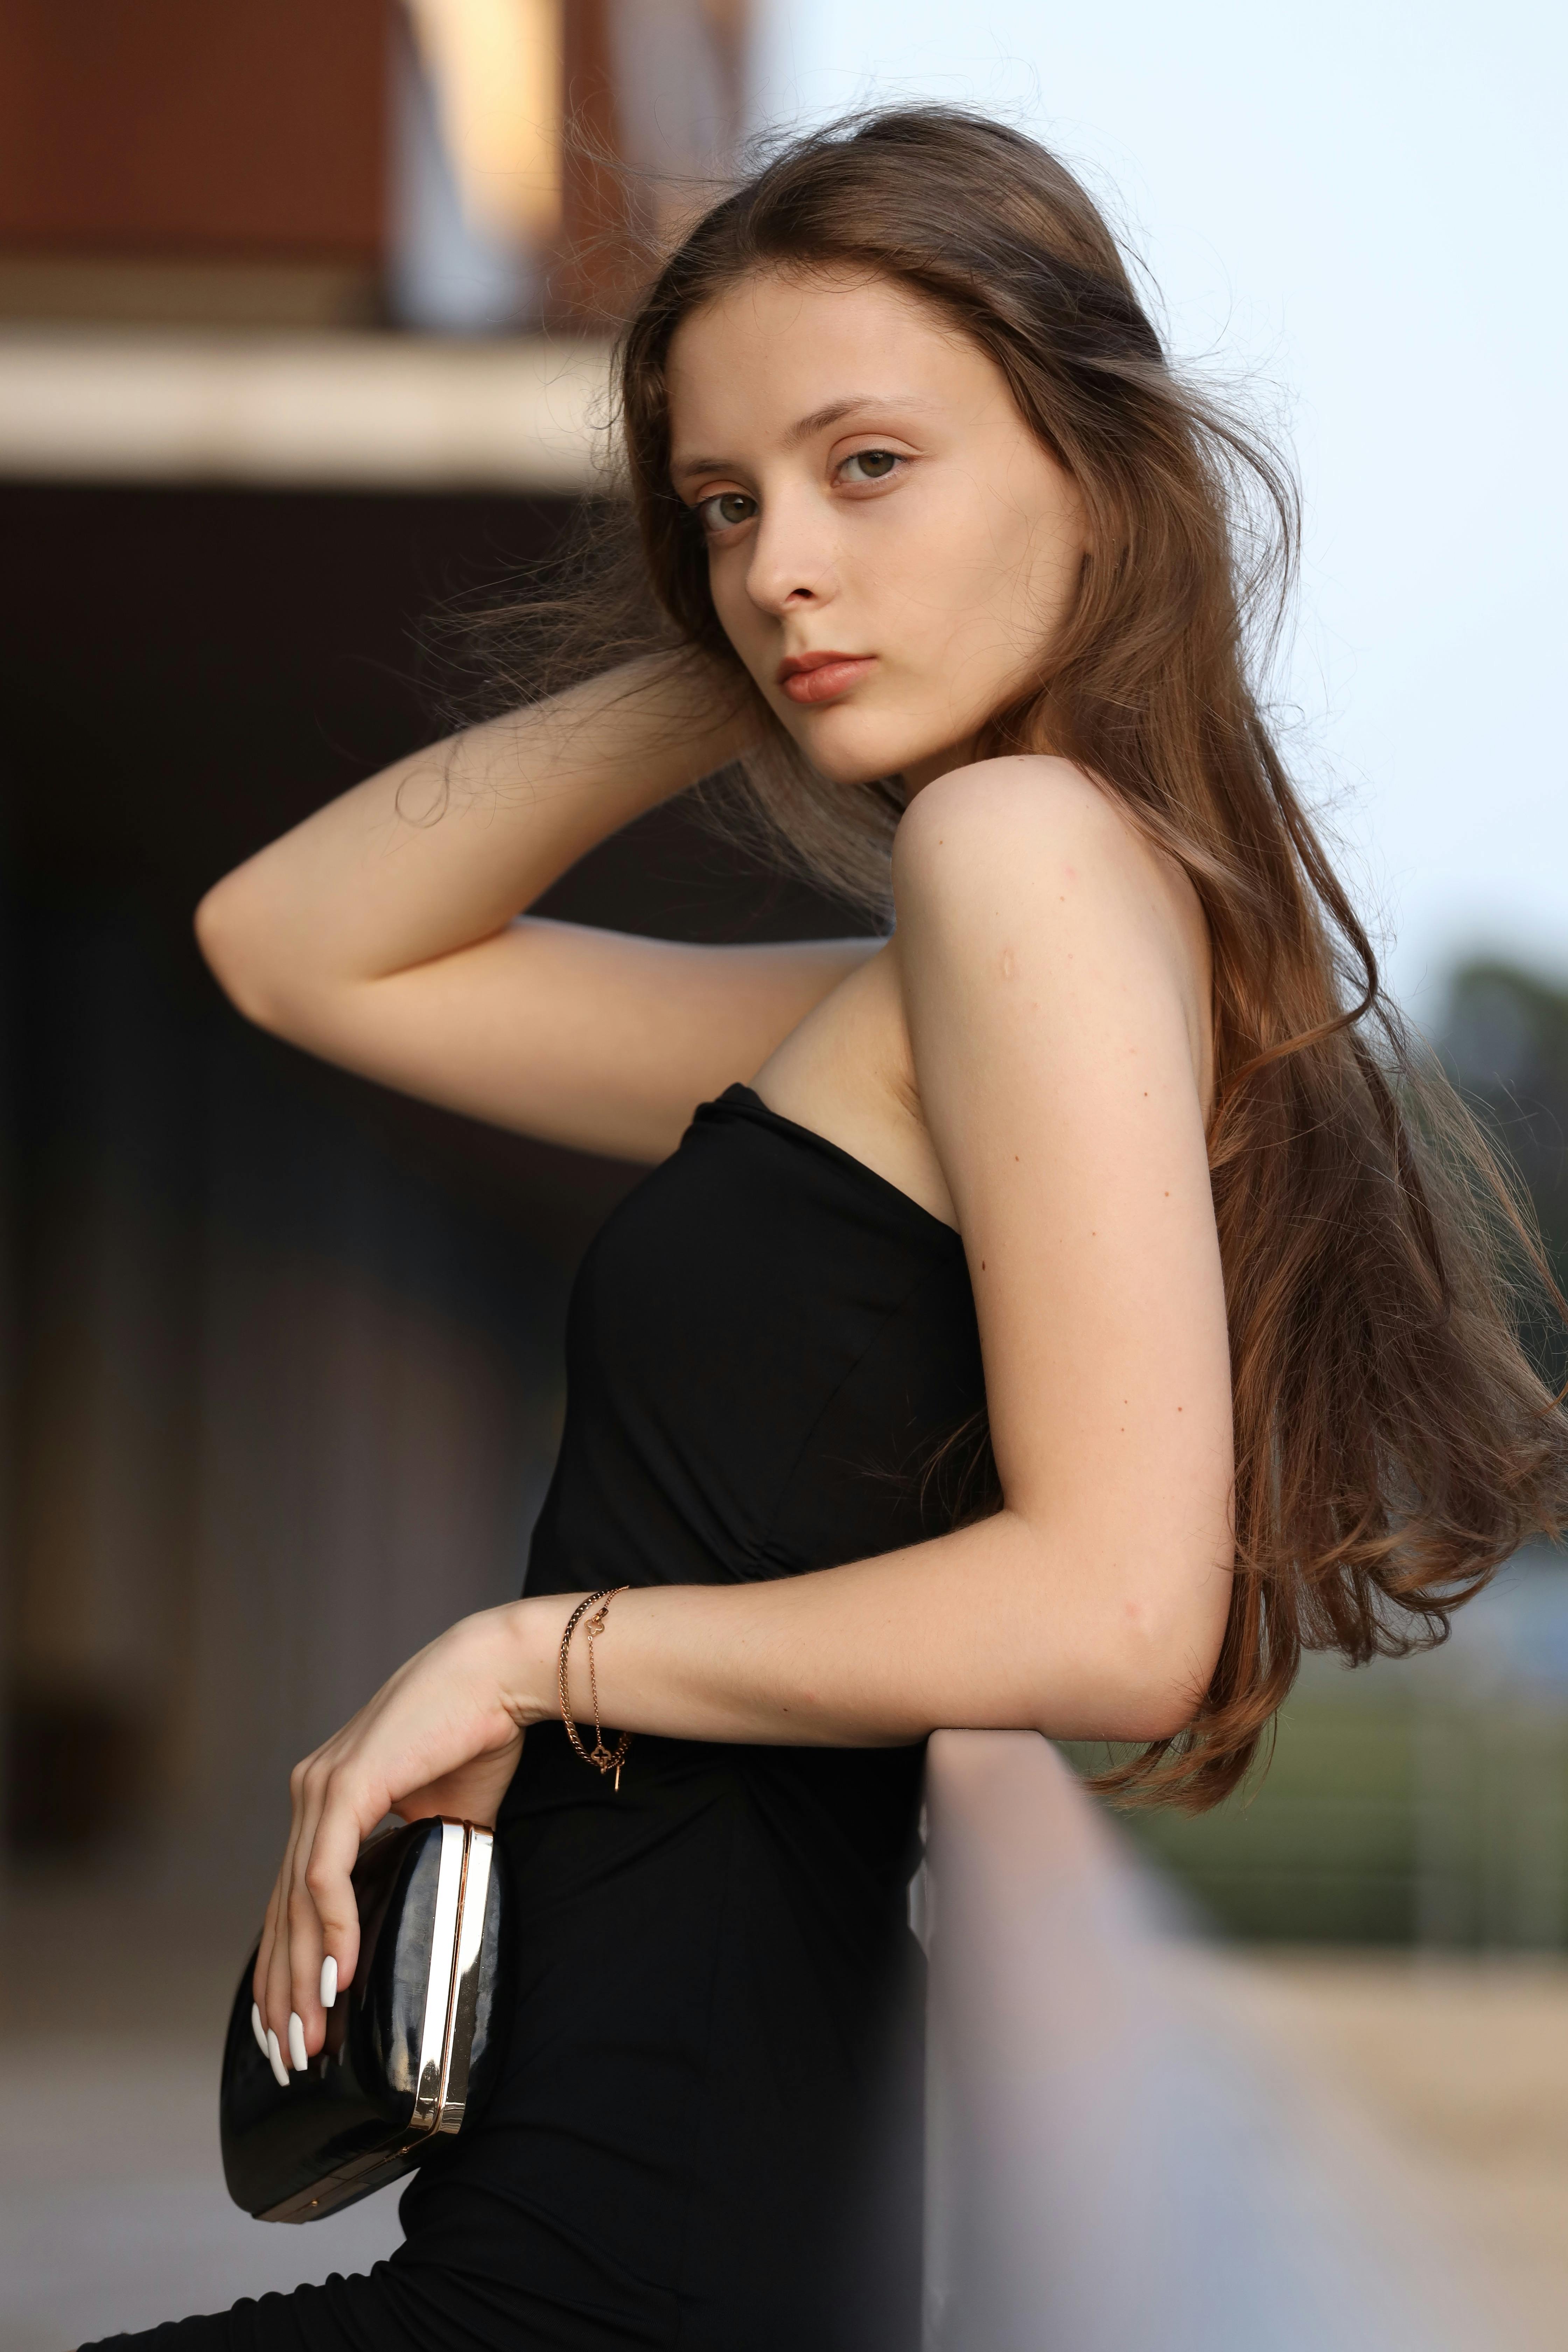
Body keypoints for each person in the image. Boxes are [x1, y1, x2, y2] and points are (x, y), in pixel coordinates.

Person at [83, 106, 1568, 2352]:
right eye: (722, 503)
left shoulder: (1020, 856)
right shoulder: (986, 967)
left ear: (1094, 469)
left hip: (613, 2267)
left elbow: (1121, 1607)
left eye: (870, 464)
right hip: (631, 2223)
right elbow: (300, 946)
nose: (781, 562)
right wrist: (760, 633)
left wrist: (526, 1649)